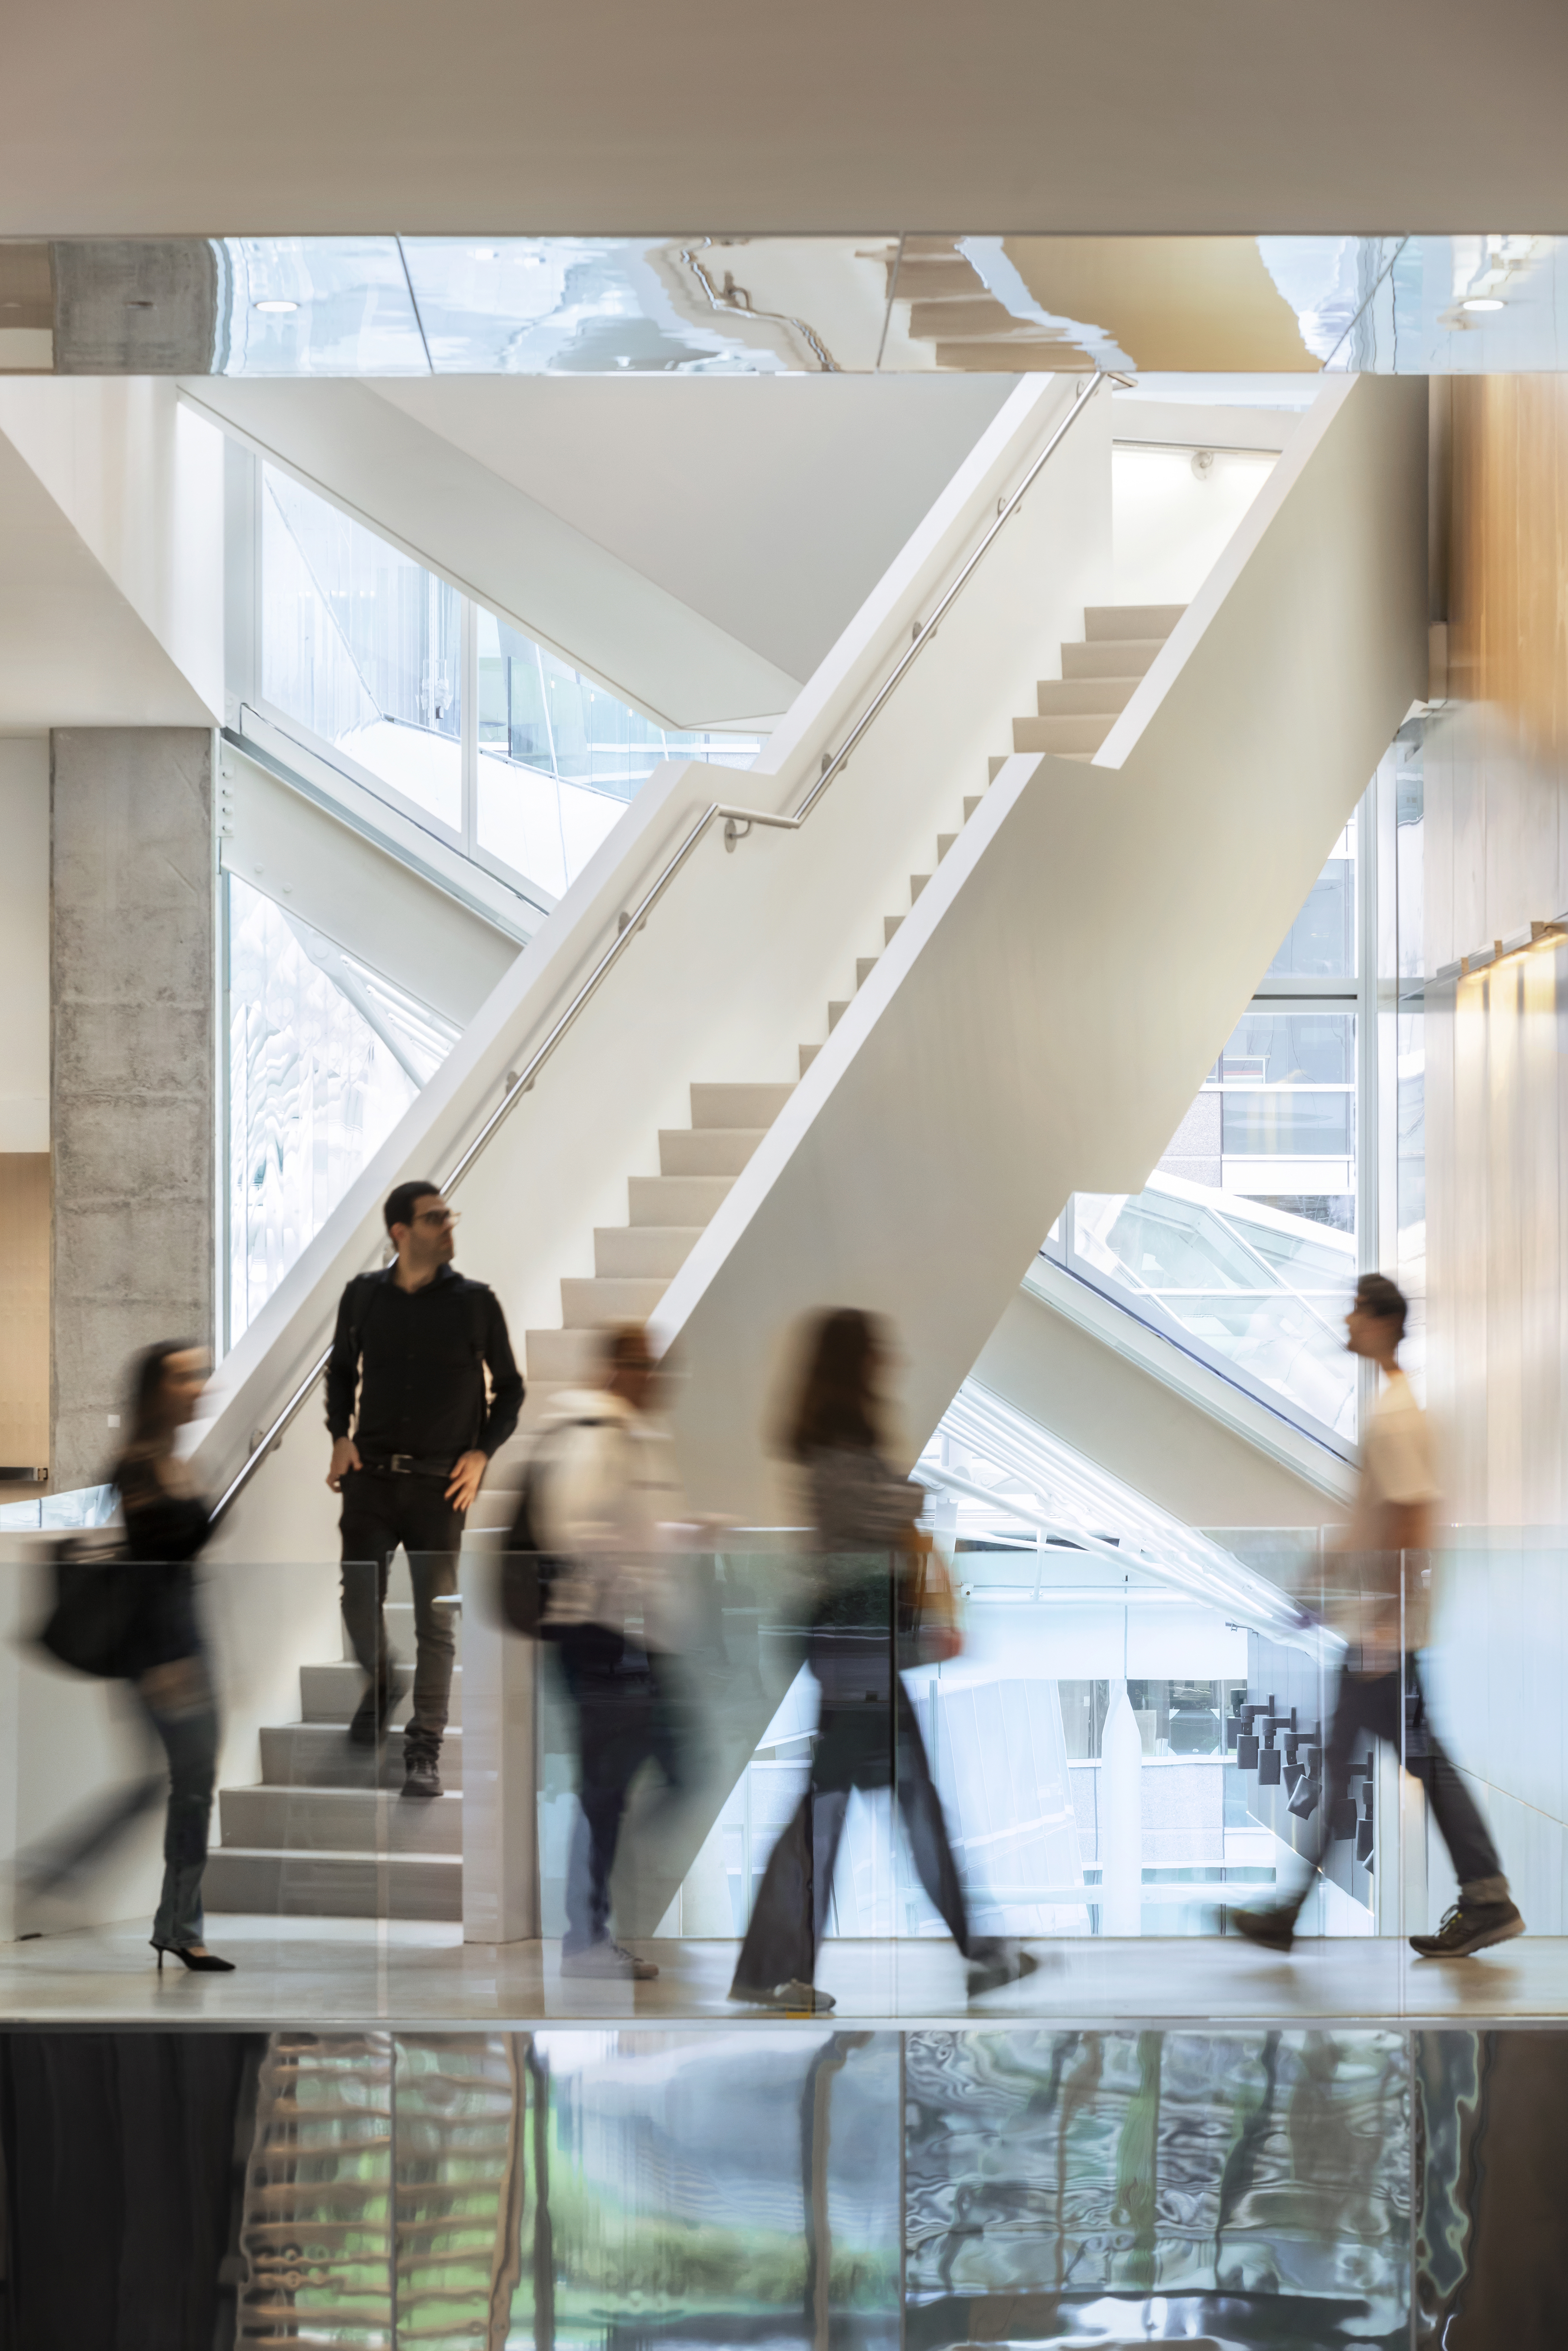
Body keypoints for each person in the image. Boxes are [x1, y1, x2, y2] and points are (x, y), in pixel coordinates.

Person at [729, 1308, 1036, 2013]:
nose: (887, 1365)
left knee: (863, 1805)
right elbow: (868, 1520)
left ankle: (781, 1967)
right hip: (858, 1643)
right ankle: (782, 1969)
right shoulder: (836, 1440)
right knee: (860, 1809)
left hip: (854, 1644)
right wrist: (908, 1497)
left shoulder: (828, 1436)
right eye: (876, 1354)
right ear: (854, 1364)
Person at [1234, 1273, 1524, 1960]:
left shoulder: (1397, 1415)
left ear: (1380, 1321)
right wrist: (1321, 1590)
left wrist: (1390, 1626)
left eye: (1356, 1310)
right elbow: (1375, 1522)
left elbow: (1411, 1520)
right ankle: (1476, 1896)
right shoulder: (1393, 1407)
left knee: (1403, 1764)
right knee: (1366, 1763)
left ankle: (1485, 1897)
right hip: (1376, 1631)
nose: (1346, 1318)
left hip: (1382, 1639)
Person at [326, 1179, 523, 1799]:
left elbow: (510, 1390)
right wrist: (339, 1434)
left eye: (448, 1216)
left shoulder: (475, 1304)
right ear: (400, 1233)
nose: (448, 1226)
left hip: (442, 1488)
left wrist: (482, 1454)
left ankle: (424, 1747)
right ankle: (383, 1681)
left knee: (437, 1622)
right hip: (371, 1480)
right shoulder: (362, 1299)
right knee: (358, 1599)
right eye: (435, 1218)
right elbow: (341, 1371)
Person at [532, 1324, 699, 1980]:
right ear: (619, 1369)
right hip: (603, 1635)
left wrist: (681, 1539)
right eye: (648, 1366)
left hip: (631, 1634)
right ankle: (586, 1935)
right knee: (611, 1788)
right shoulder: (599, 1434)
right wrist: (629, 1581)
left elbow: (635, 1532)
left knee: (636, 1779)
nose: (659, 1380)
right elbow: (574, 1525)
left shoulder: (627, 1435)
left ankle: (589, 1931)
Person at [114, 1342, 230, 1972]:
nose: (200, 1385)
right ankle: (180, 1927)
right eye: (187, 1376)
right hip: (166, 1648)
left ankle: (179, 1925)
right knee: (185, 1787)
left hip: (186, 1638)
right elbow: (150, 1573)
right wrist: (165, 1661)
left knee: (192, 1786)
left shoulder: (168, 1463)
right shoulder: (139, 1469)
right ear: (159, 1390)